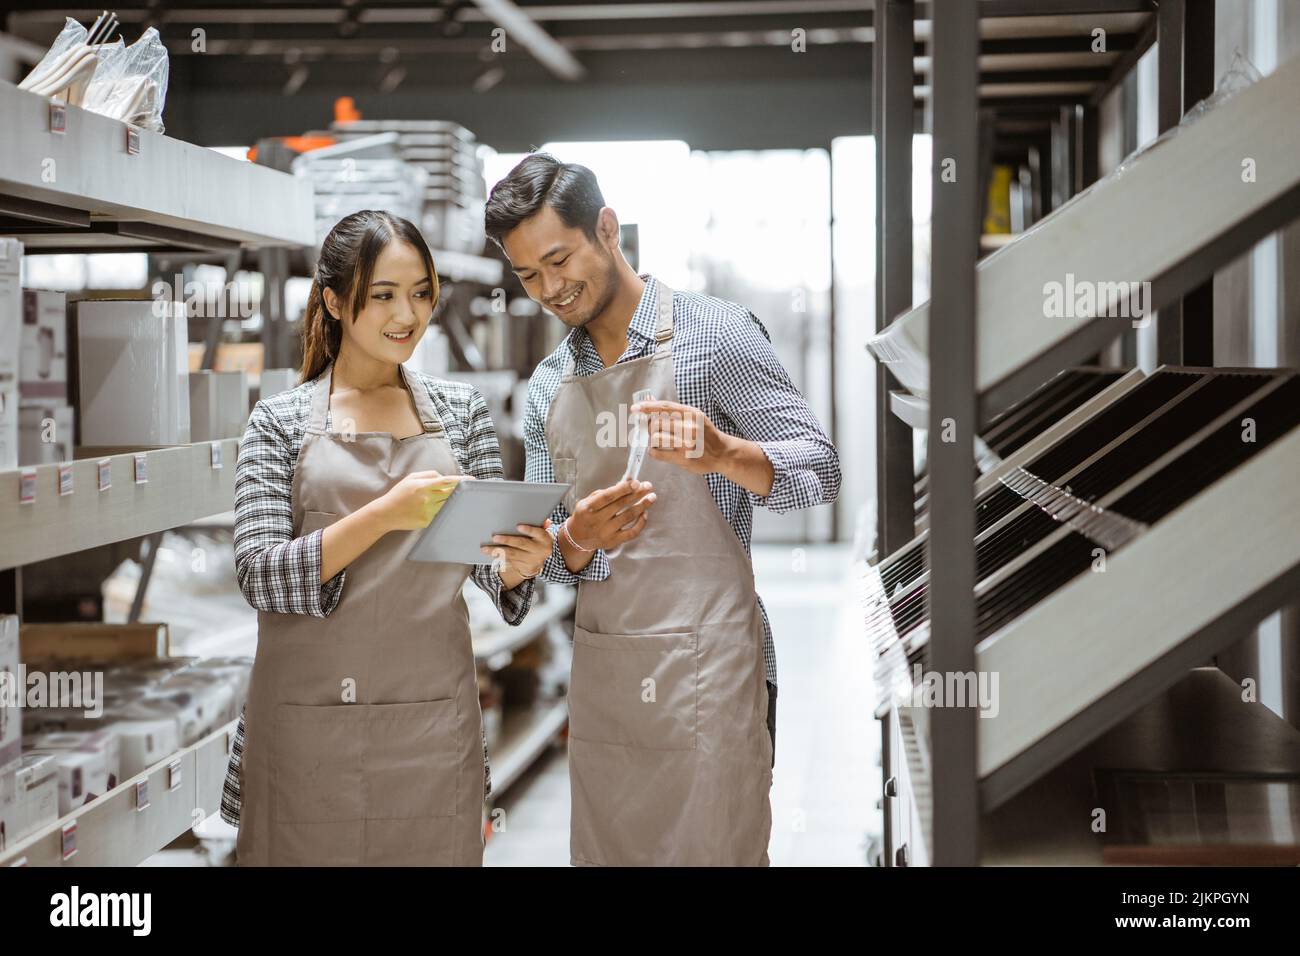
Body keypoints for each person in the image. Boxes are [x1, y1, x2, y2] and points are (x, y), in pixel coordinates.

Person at [486, 153, 841, 866]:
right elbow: (553, 563)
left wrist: (723, 455)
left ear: (607, 230)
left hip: (714, 672)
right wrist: (573, 540)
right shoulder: (549, 386)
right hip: (609, 688)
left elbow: (821, 471)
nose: (550, 288)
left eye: (560, 260)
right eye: (528, 276)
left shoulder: (717, 335)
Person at [220, 210, 552, 866]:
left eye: (422, 292)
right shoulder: (279, 422)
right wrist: (385, 514)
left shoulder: (460, 415)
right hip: (307, 734)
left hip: (429, 730)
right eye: (384, 295)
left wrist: (522, 562)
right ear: (335, 302)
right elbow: (259, 573)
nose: (409, 314)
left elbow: (490, 567)